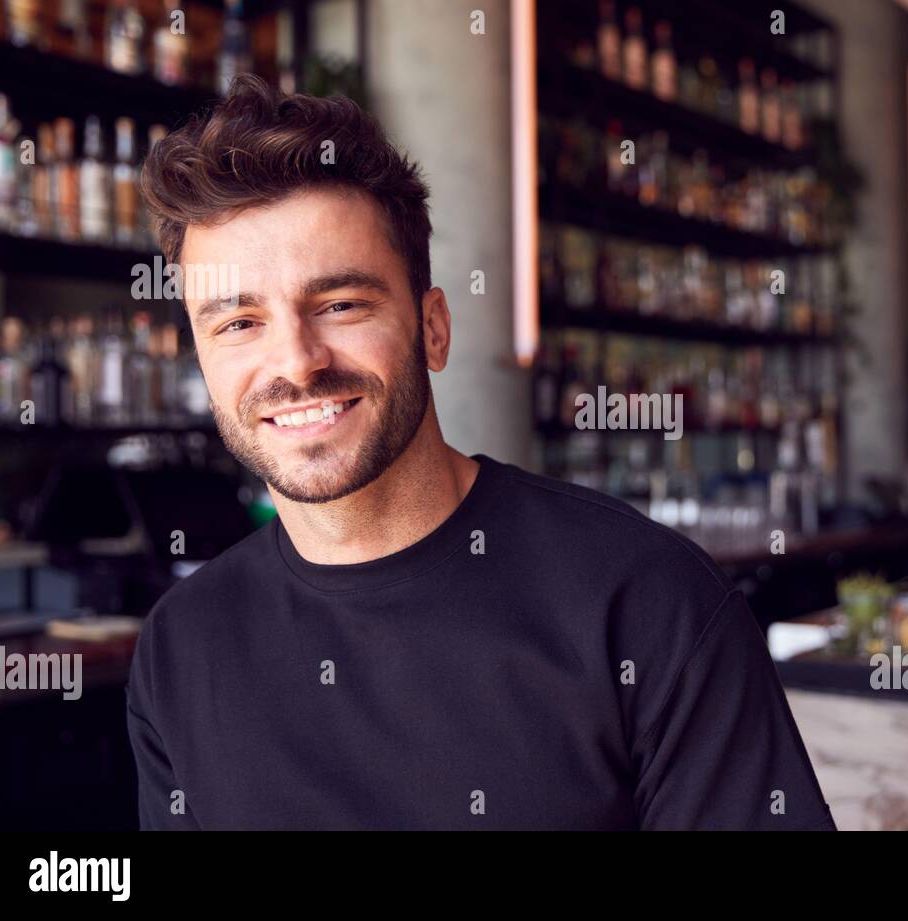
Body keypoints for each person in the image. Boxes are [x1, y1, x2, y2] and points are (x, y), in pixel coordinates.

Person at [125, 75, 835, 831]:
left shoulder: (648, 603)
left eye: (340, 304)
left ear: (433, 327)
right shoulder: (180, 651)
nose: (297, 362)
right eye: (238, 323)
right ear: (201, 360)